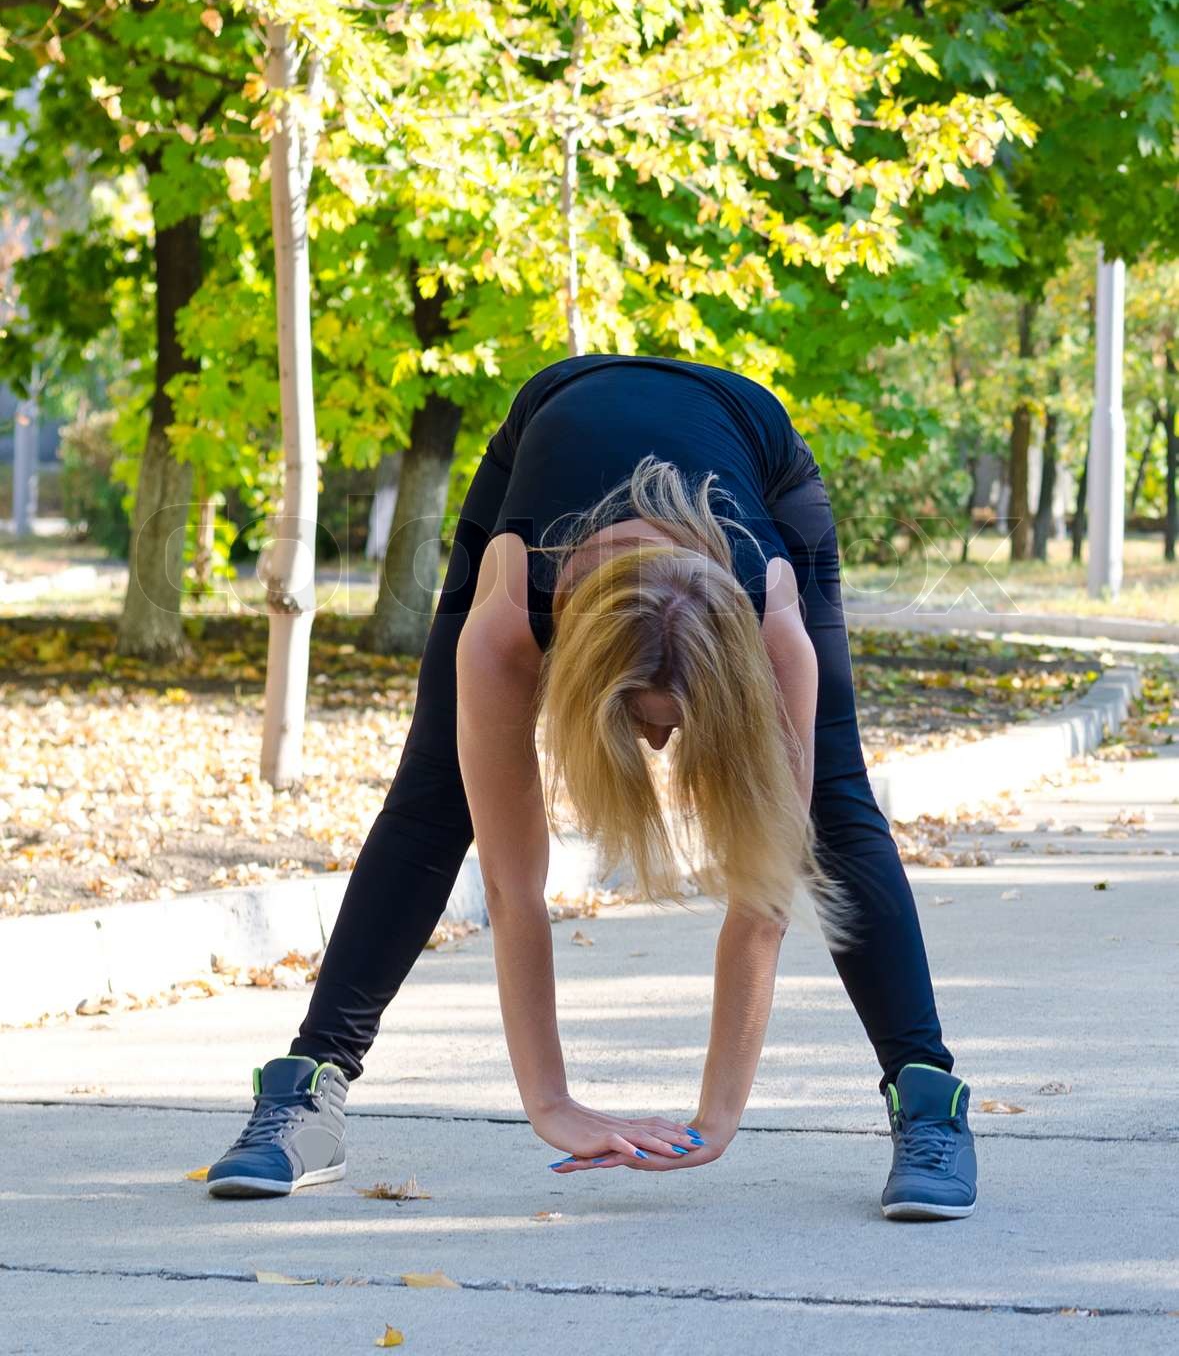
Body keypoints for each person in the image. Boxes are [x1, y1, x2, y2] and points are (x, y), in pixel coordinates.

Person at [206, 353, 977, 1221]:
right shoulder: (509, 611)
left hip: (753, 441)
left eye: (678, 723)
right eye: (637, 719)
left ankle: (926, 1098)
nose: (654, 742)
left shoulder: (772, 616)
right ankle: (306, 1095)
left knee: (831, 801)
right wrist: (552, 1105)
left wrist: (716, 1118)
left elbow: (762, 898)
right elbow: (510, 885)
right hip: (550, 423)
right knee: (434, 795)